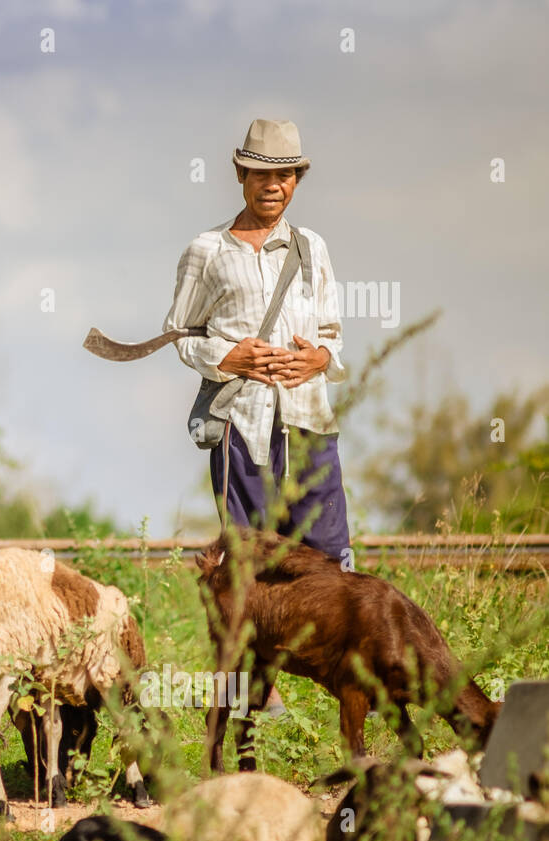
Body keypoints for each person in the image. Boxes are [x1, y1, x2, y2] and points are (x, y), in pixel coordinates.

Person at [164, 119, 351, 716]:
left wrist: (319, 357)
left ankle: (344, 673)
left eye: (285, 174)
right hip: (240, 421)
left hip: (308, 420)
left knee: (325, 552)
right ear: (241, 174)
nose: (274, 185)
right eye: (263, 174)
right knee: (245, 555)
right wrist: (227, 356)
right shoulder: (206, 250)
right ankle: (252, 687)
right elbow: (181, 333)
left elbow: (332, 336)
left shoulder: (312, 248)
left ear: (296, 180)